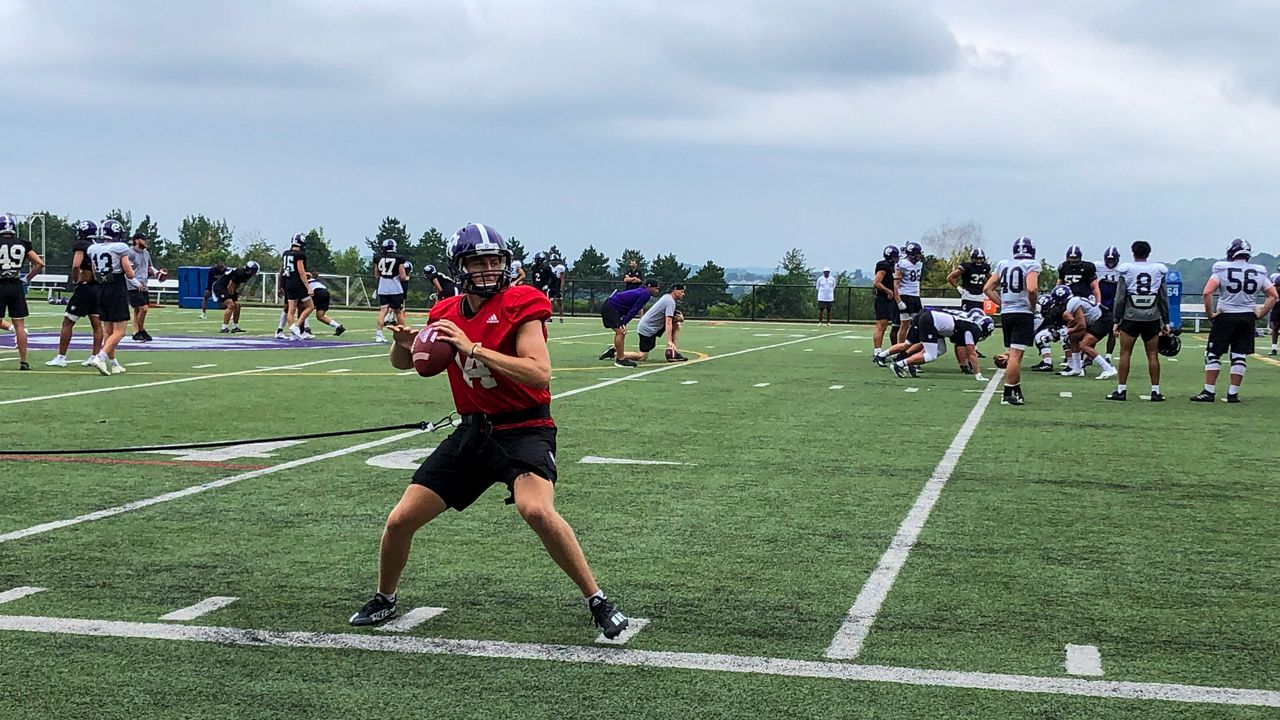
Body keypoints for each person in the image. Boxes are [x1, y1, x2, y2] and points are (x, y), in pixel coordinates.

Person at [350, 222, 630, 639]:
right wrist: (404, 344)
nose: (486, 268)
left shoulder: (523, 302)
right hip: (472, 432)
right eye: (477, 261)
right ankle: (385, 598)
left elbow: (539, 373)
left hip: (525, 427)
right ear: (460, 267)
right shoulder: (444, 311)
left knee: (535, 509)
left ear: (505, 263)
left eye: (493, 260)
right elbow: (410, 365)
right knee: (399, 521)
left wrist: (473, 347)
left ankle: (598, 600)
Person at [1191, 239, 1277, 403]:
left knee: (1213, 354)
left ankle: (1209, 392)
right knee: (1239, 355)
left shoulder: (1222, 269)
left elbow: (1207, 292)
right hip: (1246, 317)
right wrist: (1259, 314)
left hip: (1226, 315)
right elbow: (1273, 295)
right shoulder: (1258, 272)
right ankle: (1232, 393)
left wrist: (1211, 314)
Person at [1106, 240, 1170, 402]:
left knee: (1125, 353)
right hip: (1152, 317)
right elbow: (1163, 298)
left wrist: (1116, 320)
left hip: (1130, 316)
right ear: (1148, 253)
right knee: (1152, 354)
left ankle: (1121, 390)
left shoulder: (1127, 270)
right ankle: (1155, 391)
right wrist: (1166, 321)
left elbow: (1120, 298)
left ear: (1133, 252)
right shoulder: (1158, 270)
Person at [983, 236, 1040, 406]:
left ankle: (1016, 389)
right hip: (1022, 313)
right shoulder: (1032, 264)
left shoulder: (1003, 264)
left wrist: (1003, 303)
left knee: (1013, 353)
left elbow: (987, 288)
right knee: (1016, 356)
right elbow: (1032, 288)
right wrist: (1032, 305)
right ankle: (1008, 393)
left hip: (1007, 313)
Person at [46, 220, 104, 368]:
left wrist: (76, 279)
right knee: (97, 324)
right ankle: (95, 356)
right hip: (97, 287)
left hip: (84, 288)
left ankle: (61, 357)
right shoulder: (99, 246)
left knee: (68, 322)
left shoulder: (81, 245)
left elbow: (76, 265)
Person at [86, 219, 135, 375]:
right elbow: (128, 271)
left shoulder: (93, 249)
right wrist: (134, 277)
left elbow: (94, 272)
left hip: (101, 288)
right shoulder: (120, 248)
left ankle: (114, 363)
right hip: (116, 288)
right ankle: (100, 357)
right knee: (120, 331)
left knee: (108, 330)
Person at [889, 309, 993, 381]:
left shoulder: (968, 323)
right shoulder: (973, 329)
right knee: (931, 355)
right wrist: (978, 374)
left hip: (933, 320)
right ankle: (899, 364)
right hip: (932, 321)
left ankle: (910, 363)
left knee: (941, 349)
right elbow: (972, 354)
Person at [0, 213, 45, 371]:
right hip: (15, 285)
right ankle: (23, 361)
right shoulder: (23, 243)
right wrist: (27, 279)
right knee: (19, 324)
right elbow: (39, 263)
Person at [1053, 285, 1117, 379]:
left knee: (1084, 345)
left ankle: (1108, 369)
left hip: (1103, 320)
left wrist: (1068, 330)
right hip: (1097, 320)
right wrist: (1069, 331)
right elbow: (1077, 322)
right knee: (1073, 337)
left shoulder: (1073, 303)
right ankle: (1077, 368)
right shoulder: (1074, 301)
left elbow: (1082, 326)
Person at [598, 279, 660, 368]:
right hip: (611, 308)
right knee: (620, 332)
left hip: (611, 306)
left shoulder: (642, 291)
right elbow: (634, 310)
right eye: (656, 288)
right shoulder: (645, 294)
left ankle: (618, 354)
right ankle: (620, 359)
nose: (657, 291)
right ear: (649, 287)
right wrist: (624, 322)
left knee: (621, 332)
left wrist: (623, 321)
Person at [627, 283, 688, 362]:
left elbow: (674, 317)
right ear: (674, 291)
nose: (683, 294)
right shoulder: (670, 301)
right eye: (681, 291)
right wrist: (669, 341)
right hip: (647, 329)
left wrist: (681, 319)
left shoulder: (667, 298)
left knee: (676, 324)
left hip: (652, 327)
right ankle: (616, 353)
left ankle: (673, 352)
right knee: (642, 356)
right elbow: (668, 322)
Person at [126, 229, 161, 342]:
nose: (146, 242)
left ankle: (136, 333)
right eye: (143, 239)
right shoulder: (130, 252)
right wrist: (135, 282)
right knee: (143, 308)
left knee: (137, 310)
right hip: (133, 285)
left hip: (144, 284)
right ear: (136, 241)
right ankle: (141, 330)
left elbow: (150, 267)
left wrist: (158, 273)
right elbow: (127, 270)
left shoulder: (146, 253)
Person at [373, 238, 408, 343]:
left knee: (383, 311)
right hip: (395, 288)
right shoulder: (399, 258)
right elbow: (402, 276)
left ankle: (378, 334)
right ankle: (402, 335)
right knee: (398, 312)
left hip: (383, 287)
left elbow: (376, 275)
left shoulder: (378, 258)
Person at [280, 233, 314, 340]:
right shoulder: (300, 255)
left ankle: (292, 334)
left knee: (291, 309)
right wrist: (308, 287)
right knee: (310, 306)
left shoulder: (286, 253)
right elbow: (301, 272)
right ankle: (296, 326)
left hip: (288, 283)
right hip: (297, 284)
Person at [871, 246, 900, 367]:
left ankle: (893, 352)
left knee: (894, 326)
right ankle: (877, 352)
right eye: (895, 256)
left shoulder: (892, 267)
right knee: (881, 326)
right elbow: (876, 283)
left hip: (890, 300)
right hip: (883, 299)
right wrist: (888, 291)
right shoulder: (884, 266)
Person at [212, 261, 259, 334]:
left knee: (237, 306)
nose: (255, 272)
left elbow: (236, 285)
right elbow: (230, 286)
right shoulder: (240, 273)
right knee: (231, 305)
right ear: (249, 270)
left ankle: (235, 327)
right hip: (220, 287)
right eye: (254, 270)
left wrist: (234, 297)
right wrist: (231, 298)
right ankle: (224, 327)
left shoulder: (246, 274)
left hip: (227, 287)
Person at [894, 242, 925, 344]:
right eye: (917, 254)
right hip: (906, 295)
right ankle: (900, 348)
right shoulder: (903, 264)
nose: (919, 256)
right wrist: (898, 301)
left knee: (917, 323)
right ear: (911, 254)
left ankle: (909, 347)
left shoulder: (919, 264)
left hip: (915, 296)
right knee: (905, 324)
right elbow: (896, 284)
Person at [1097, 246, 1122, 362]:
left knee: (1113, 330)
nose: (1110, 262)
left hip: (1114, 303)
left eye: (1112, 260)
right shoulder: (1097, 267)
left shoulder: (1122, 270)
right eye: (1108, 260)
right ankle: (1089, 355)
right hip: (1100, 302)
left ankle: (1108, 356)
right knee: (1093, 329)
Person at [948, 248, 991, 313]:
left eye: (980, 259)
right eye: (977, 259)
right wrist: (958, 287)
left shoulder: (985, 267)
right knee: (966, 316)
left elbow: (991, 279)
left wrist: (986, 287)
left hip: (980, 297)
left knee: (978, 317)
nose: (979, 261)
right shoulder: (967, 267)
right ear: (972, 259)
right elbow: (950, 277)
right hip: (968, 296)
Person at [549, 256, 567, 322]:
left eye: (554, 260)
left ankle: (561, 317)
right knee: (550, 302)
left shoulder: (560, 268)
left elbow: (562, 279)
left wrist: (561, 289)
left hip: (557, 285)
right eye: (552, 260)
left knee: (559, 302)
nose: (553, 262)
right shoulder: (549, 267)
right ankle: (550, 317)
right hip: (551, 285)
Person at [1268, 262, 1280, 357]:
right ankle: (1274, 348)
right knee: (1275, 327)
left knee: (1275, 327)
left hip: (1277, 304)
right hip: (1278, 305)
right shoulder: (1277, 279)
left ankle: (1274, 348)